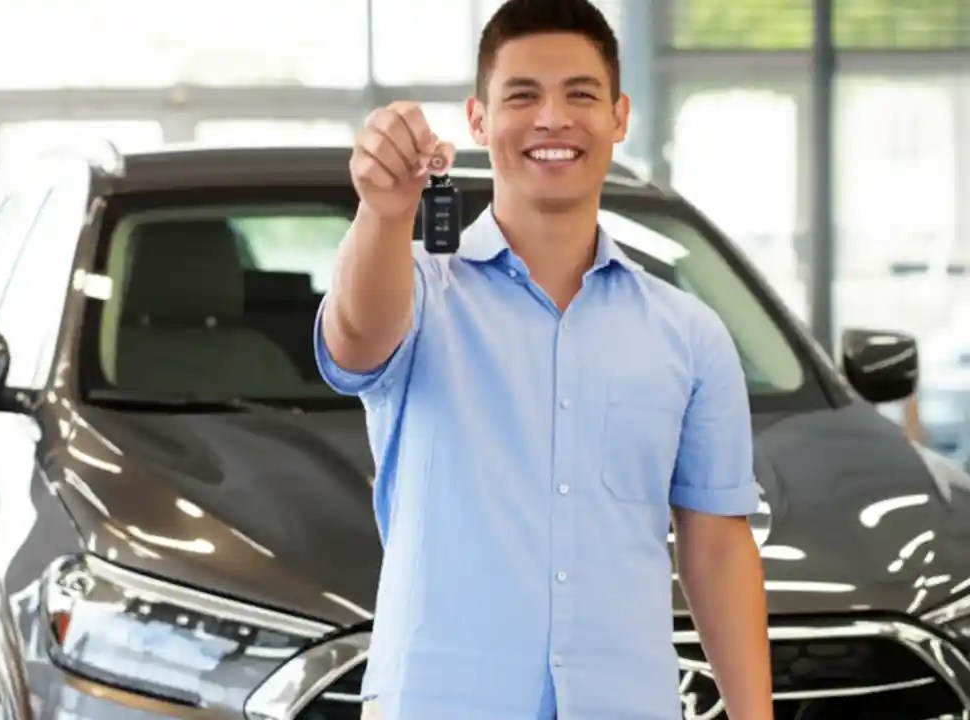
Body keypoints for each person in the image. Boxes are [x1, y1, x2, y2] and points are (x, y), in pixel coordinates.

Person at [313, 1, 774, 718]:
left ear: (620, 117)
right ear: (477, 119)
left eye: (580, 95)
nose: (553, 119)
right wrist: (382, 212)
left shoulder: (689, 333)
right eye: (522, 95)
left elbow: (717, 547)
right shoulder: (420, 292)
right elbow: (355, 337)